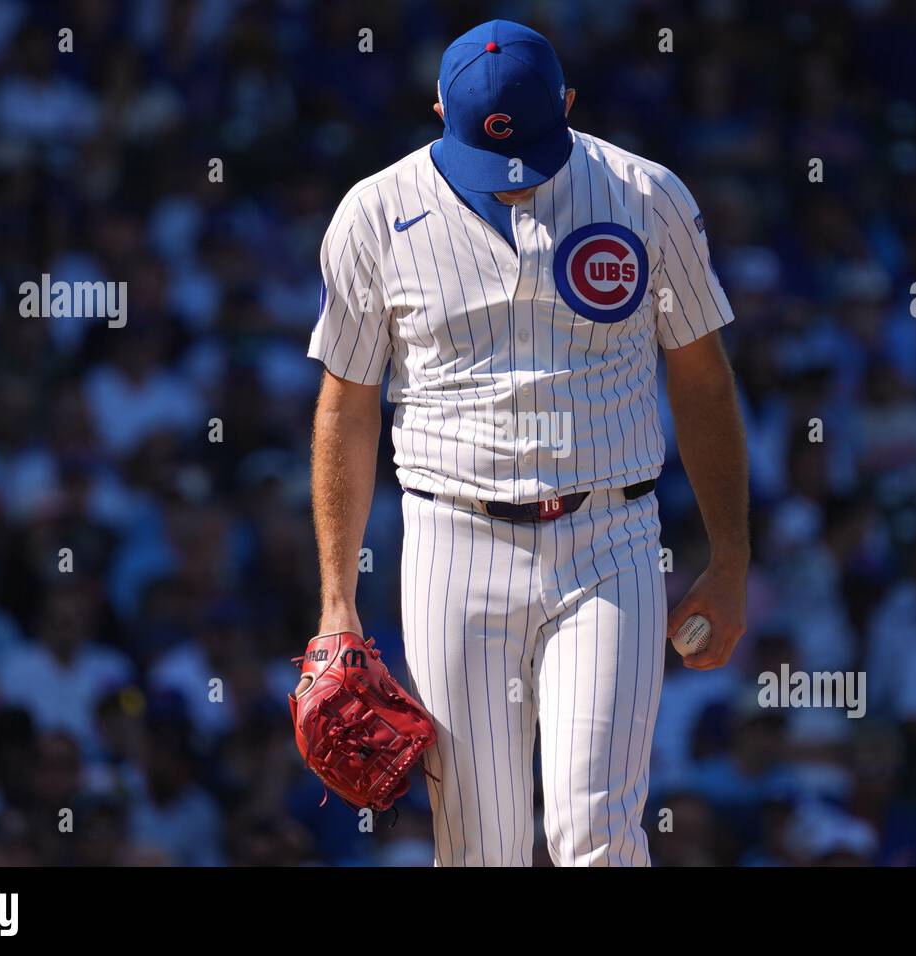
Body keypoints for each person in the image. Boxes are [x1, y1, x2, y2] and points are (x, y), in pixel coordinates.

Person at [305, 19, 748, 866]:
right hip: (452, 539)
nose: (511, 182)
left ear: (570, 107)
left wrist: (728, 561)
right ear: (436, 110)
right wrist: (335, 605)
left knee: (597, 831)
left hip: (610, 538)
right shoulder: (375, 213)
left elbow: (702, 380)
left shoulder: (646, 196)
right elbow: (346, 409)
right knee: (481, 845)